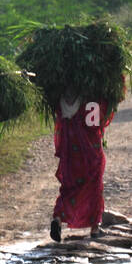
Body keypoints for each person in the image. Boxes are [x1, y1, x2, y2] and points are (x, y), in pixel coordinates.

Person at [50, 91, 114, 242]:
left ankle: (58, 218)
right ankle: (95, 227)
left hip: (70, 148)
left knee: (69, 185)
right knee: (94, 184)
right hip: (90, 149)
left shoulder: (63, 99)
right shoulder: (92, 99)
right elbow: (100, 119)